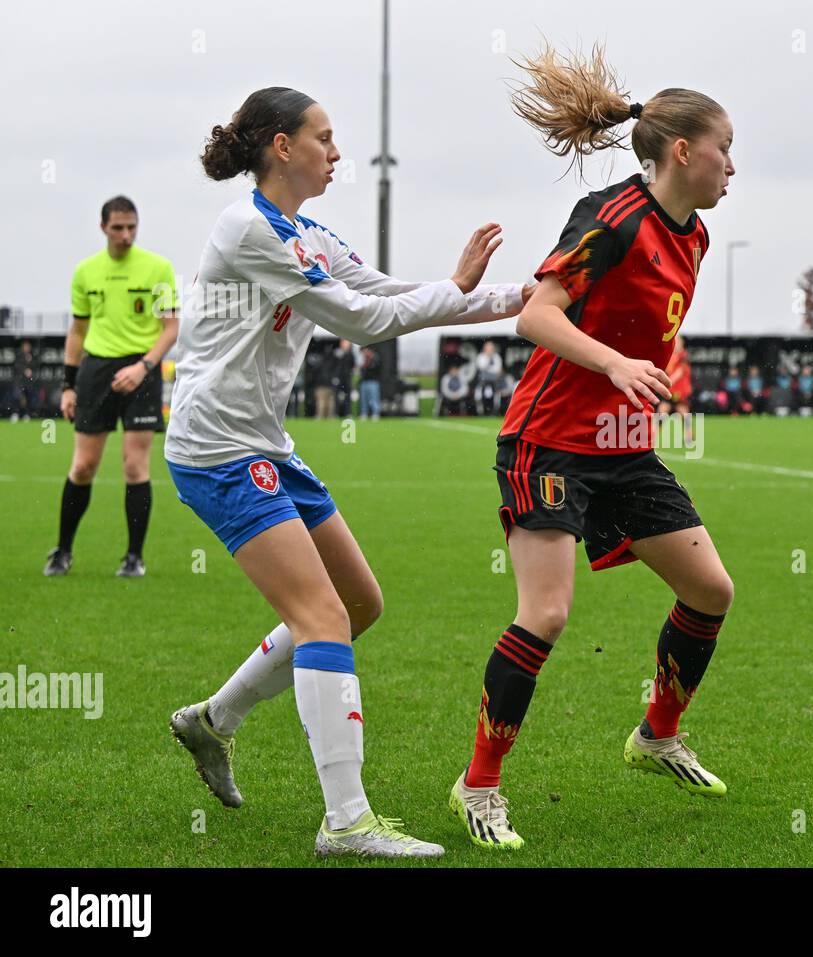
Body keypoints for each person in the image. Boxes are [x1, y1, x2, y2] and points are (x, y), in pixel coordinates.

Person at [163, 87, 530, 858]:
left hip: (264, 441)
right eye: (324, 139)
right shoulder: (247, 229)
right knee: (322, 618)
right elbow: (363, 323)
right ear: (279, 146)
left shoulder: (309, 233)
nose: (338, 152)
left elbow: (391, 294)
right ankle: (346, 822)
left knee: (359, 601)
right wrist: (461, 289)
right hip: (217, 448)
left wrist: (521, 298)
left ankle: (212, 720)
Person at [448, 44, 736, 850]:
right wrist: (615, 363)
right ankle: (479, 785)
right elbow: (537, 315)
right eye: (725, 148)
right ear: (683, 151)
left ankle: (656, 734)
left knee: (711, 590)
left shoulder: (697, 236)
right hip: (548, 443)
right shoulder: (612, 219)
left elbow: (654, 329)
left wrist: (660, 369)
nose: (732, 167)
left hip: (624, 450)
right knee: (546, 612)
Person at [44, 196, 179, 578]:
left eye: (132, 227)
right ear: (103, 227)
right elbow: (78, 330)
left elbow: (171, 329)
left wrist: (143, 367)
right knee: (84, 466)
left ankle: (134, 557)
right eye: (118, 227)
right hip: (96, 370)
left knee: (135, 467)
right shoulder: (86, 271)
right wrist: (69, 386)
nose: (126, 235)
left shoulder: (159, 268)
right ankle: (63, 552)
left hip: (143, 369)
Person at [358, 346, 382, 419]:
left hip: (373, 381)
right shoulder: (363, 360)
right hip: (364, 381)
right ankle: (364, 413)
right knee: (363, 399)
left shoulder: (375, 358)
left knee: (374, 398)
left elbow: (376, 369)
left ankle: (375, 413)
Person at [332, 339, 355, 417]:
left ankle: (347, 413)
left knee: (347, 397)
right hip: (339, 378)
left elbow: (352, 365)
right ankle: (336, 413)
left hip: (347, 378)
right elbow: (334, 365)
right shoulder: (337, 353)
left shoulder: (350, 354)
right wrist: (335, 376)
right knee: (336, 397)